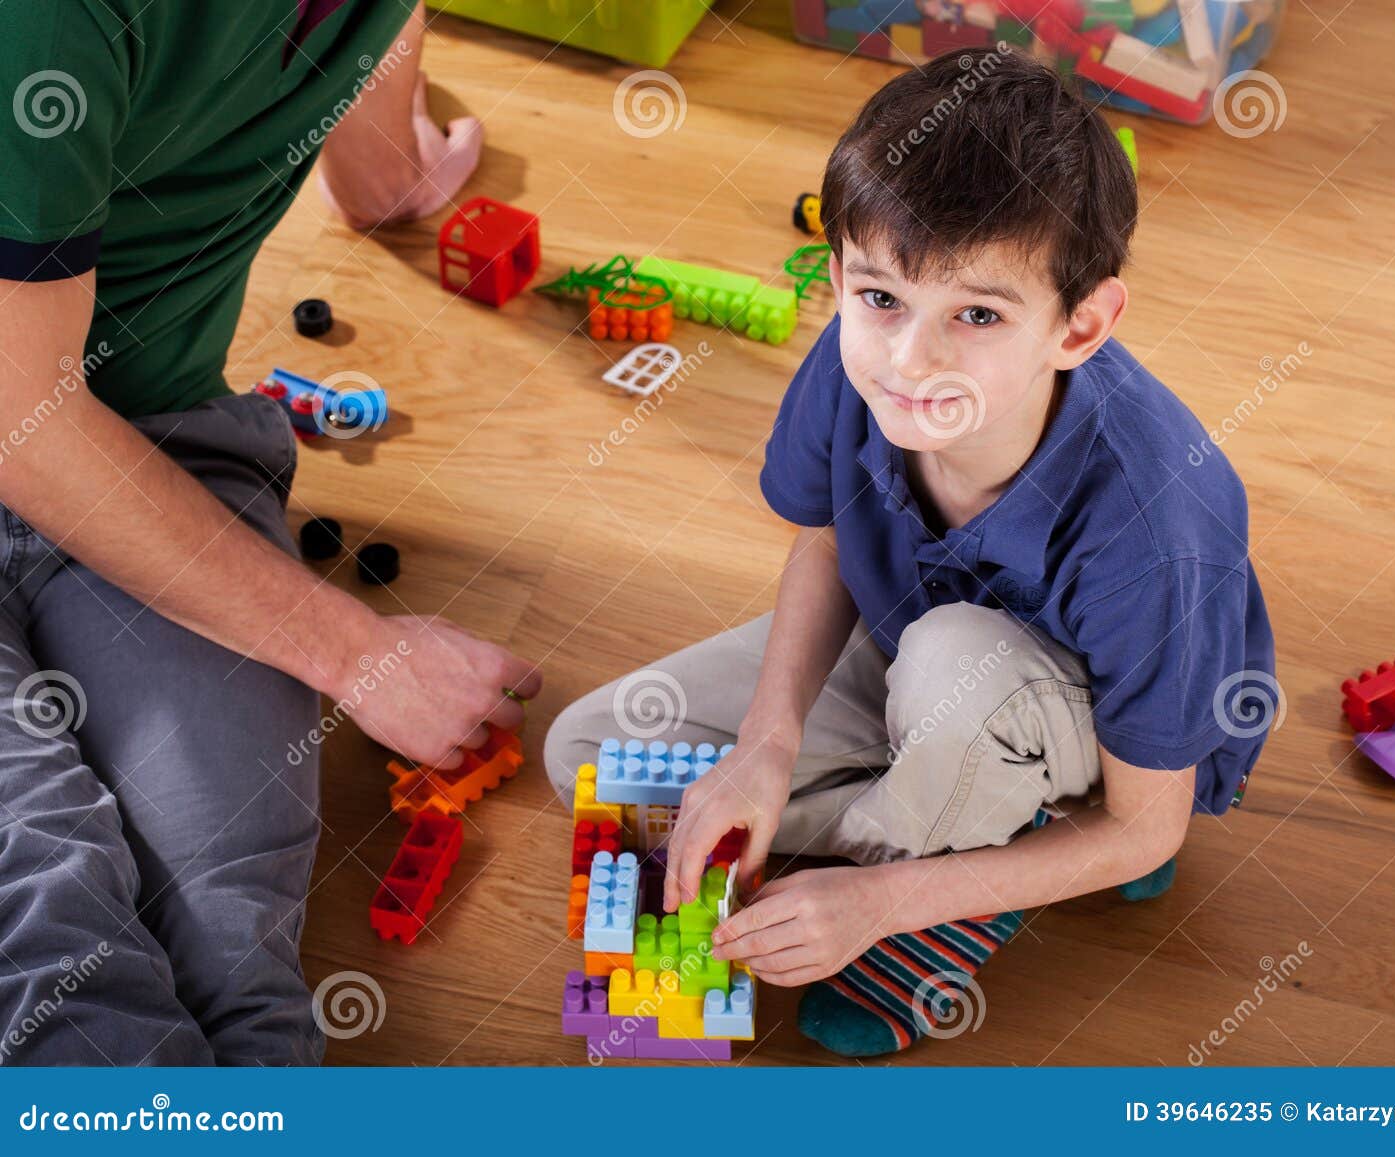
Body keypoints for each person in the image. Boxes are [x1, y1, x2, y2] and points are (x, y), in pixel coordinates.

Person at [544, 49, 1276, 1058]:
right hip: (913, 647)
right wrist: (763, 746)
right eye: (881, 298)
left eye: (976, 314)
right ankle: (951, 827)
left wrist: (880, 897)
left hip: (1098, 737)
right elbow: (829, 535)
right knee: (587, 752)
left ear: (1081, 324)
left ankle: (970, 881)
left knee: (952, 667)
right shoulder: (860, 362)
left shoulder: (1152, 527)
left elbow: (1153, 826)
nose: (908, 361)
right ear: (843, 275)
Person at [0, 2, 536, 1065]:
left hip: (151, 448)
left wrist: (410, 130)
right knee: (47, 915)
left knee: (230, 935)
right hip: (31, 418)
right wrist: (361, 652)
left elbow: (375, 178)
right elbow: (21, 418)